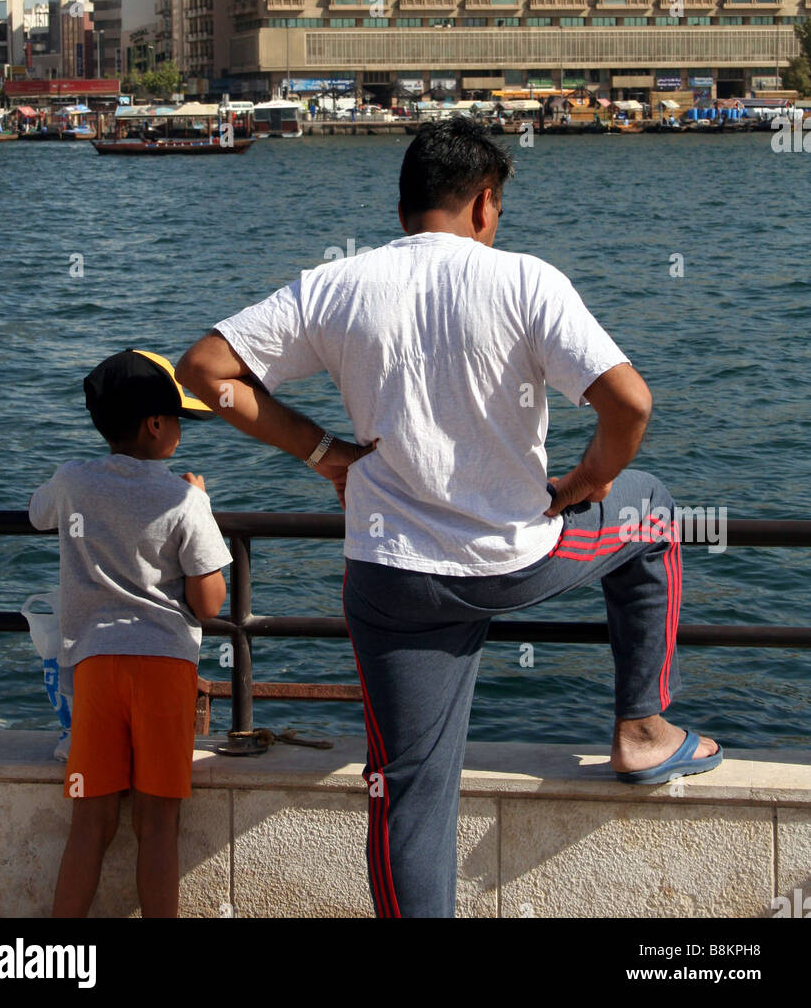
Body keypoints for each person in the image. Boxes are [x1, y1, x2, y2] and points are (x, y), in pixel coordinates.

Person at [176, 116, 722, 919]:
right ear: (485, 205)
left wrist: (327, 454)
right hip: (517, 561)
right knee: (656, 511)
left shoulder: (339, 283)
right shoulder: (526, 281)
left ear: (403, 211)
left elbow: (205, 371)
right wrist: (584, 481)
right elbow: (630, 403)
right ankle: (641, 727)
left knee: (408, 792)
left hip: (393, 576)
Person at [28, 349, 232, 918]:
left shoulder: (72, 482)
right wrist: (205, 504)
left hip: (94, 668)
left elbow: (38, 511)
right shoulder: (185, 499)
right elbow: (209, 601)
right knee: (156, 825)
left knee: (89, 819)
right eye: (177, 421)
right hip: (164, 669)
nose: (179, 433)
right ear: (155, 424)